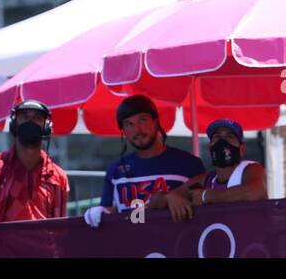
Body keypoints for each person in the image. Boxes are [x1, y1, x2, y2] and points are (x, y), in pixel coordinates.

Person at [0, 100, 69, 257]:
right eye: (24, 117)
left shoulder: (58, 177)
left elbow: (60, 234)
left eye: (37, 118)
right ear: (14, 124)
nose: (30, 122)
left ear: (46, 127)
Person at [82, 94, 205, 227]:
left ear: (156, 122)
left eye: (143, 120)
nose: (137, 129)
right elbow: (111, 210)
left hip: (177, 244)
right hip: (132, 244)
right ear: (123, 130)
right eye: (129, 124)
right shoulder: (115, 171)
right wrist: (98, 211)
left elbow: (205, 206)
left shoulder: (189, 163)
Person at [160, 119, 268, 221]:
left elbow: (255, 191)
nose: (222, 142)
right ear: (209, 148)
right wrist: (169, 197)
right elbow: (154, 202)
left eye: (229, 137)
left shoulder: (250, 169)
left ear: (242, 149)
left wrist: (205, 196)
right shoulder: (206, 179)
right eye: (217, 137)